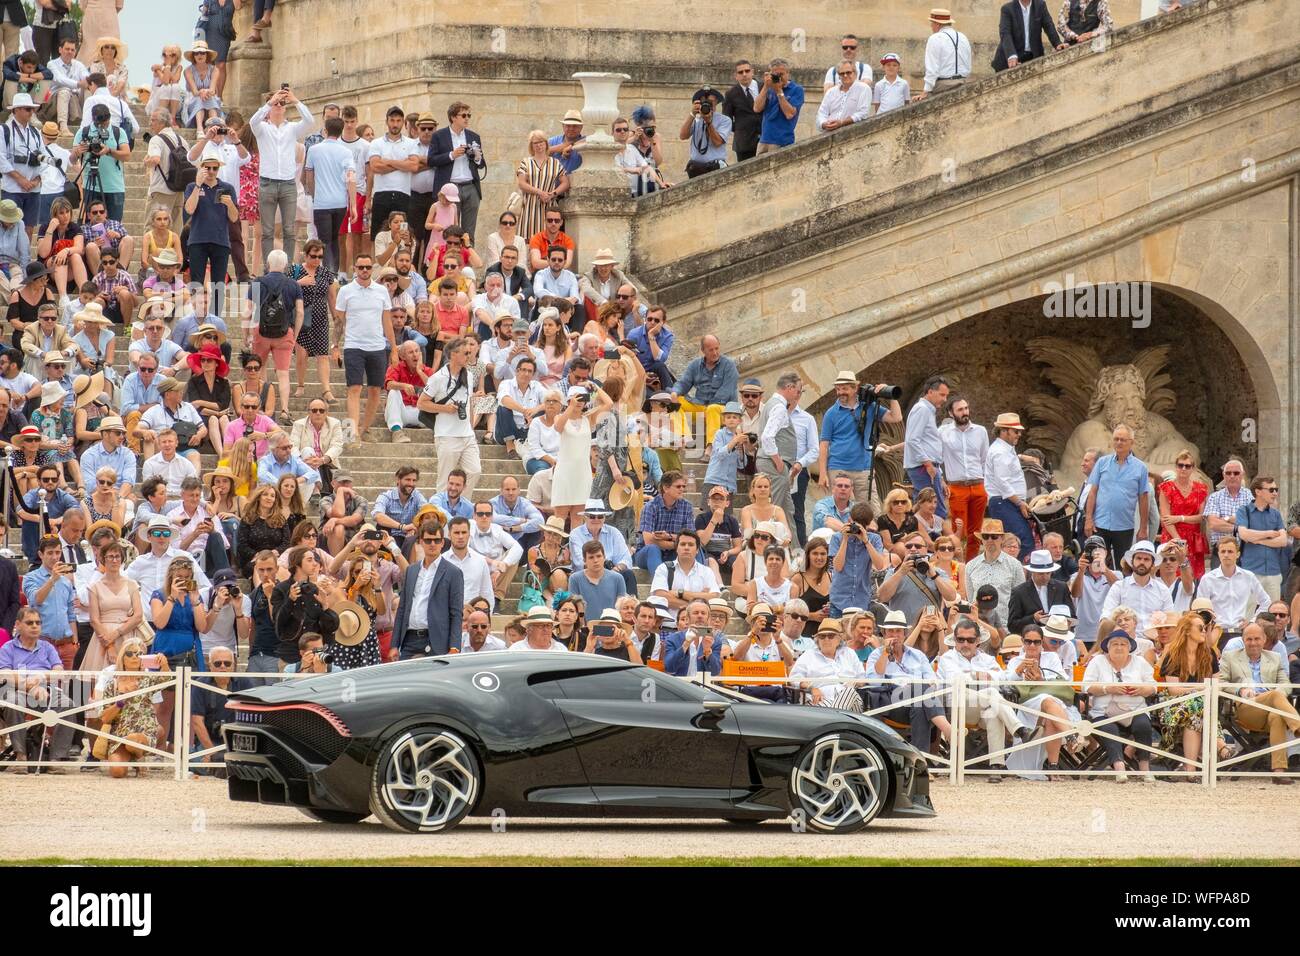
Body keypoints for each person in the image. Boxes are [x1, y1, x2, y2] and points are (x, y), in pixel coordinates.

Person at [1220, 622, 1299, 783]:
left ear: (1264, 640)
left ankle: (1278, 771)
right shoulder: (1231, 657)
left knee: (1277, 716)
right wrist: (1239, 691)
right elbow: (1221, 683)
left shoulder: (1274, 658)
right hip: (1245, 707)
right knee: (1275, 696)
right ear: (1243, 640)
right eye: (1249, 639)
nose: (1253, 642)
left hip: (1270, 707)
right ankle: (1297, 727)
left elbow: (1286, 685)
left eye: (1257, 638)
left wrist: (1276, 697)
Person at [248, 84, 316, 268]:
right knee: (267, 231)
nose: (278, 106)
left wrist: (295, 101)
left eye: (281, 103)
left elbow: (310, 122)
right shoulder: (262, 128)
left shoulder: (292, 129)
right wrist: (269, 103)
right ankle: (269, 268)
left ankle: (288, 268)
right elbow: (252, 122)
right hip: (267, 183)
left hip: (287, 184)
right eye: (276, 103)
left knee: (289, 231)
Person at [391, 520, 463, 660]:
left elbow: (456, 613)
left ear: (442, 543)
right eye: (428, 540)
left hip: (436, 640)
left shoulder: (453, 572)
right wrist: (394, 644)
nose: (432, 544)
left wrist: (454, 647)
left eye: (436, 540)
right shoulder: (411, 570)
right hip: (409, 640)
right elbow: (402, 608)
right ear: (421, 542)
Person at [547, 383, 612, 529]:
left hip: (582, 474)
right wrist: (571, 406)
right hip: (564, 473)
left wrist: (595, 387)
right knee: (559, 518)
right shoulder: (559, 417)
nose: (579, 401)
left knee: (578, 519)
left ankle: (576, 551)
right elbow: (558, 428)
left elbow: (609, 403)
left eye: (582, 398)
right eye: (576, 397)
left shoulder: (589, 419)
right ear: (569, 399)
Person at [1084, 424, 1151, 566]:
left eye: (1123, 439)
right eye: (1116, 439)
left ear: (1131, 442)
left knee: (1124, 565)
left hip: (1124, 525)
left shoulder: (1140, 468)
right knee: (1098, 565)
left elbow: (1143, 498)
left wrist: (1143, 528)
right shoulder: (1102, 463)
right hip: (1100, 524)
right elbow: (1093, 492)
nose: (1119, 442)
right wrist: (1088, 518)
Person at [183, 145, 239, 309]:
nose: (212, 171)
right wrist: (198, 185)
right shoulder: (192, 187)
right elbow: (189, 209)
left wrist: (230, 205)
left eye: (215, 168)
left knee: (218, 284)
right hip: (198, 239)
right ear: (202, 168)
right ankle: (196, 316)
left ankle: (215, 319)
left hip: (220, 240)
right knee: (197, 283)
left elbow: (234, 218)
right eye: (208, 168)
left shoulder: (227, 188)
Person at [1196, 537, 1269, 634]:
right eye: (1223, 551)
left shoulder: (1248, 576)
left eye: (1230, 551)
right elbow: (1201, 608)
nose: (1226, 555)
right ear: (1218, 554)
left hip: (1240, 631)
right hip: (1216, 632)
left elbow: (1266, 601)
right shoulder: (1207, 579)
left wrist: (1252, 621)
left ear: (1238, 554)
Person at [828, 503, 890, 618]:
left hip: (862, 600)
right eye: (855, 523)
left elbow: (879, 565)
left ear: (868, 523)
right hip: (839, 601)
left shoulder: (874, 539)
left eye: (862, 524)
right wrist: (845, 540)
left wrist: (866, 542)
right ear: (849, 519)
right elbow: (838, 567)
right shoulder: (837, 537)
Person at [903, 376, 949, 520]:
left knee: (924, 508)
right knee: (934, 510)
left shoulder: (926, 410)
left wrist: (938, 472)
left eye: (946, 395)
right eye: (942, 395)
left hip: (926, 467)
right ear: (930, 392)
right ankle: (934, 541)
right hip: (923, 467)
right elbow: (912, 440)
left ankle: (921, 539)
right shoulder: (922, 409)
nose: (945, 399)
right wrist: (928, 464)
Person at [1236, 475, 1288, 600]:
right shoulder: (1244, 511)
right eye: (1271, 490)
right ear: (1258, 491)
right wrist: (1268, 533)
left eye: (1276, 489)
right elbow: (1243, 534)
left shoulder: (1275, 514)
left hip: (1273, 572)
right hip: (1250, 571)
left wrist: (1257, 539)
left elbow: (1283, 541)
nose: (1275, 493)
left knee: (1274, 614)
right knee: (1246, 614)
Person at [635, 471, 696, 574]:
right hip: (647, 553)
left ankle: (696, 584)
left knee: (693, 550)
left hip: (674, 552)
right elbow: (648, 541)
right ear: (666, 488)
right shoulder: (650, 507)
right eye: (678, 486)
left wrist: (668, 536)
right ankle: (661, 586)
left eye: (683, 486)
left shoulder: (687, 507)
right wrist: (677, 543)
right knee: (653, 549)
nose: (682, 489)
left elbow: (691, 539)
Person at [1007, 549, 1074, 634]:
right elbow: (1012, 626)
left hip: (1059, 638)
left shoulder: (1061, 588)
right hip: (1033, 641)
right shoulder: (1019, 592)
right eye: (1041, 574)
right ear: (1032, 572)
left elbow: (1072, 617)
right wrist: (1033, 618)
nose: (1045, 577)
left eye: (1048, 573)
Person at [993, 0, 1069, 71]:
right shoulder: (1007, 9)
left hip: (1032, 57)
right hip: (1009, 60)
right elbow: (1005, 33)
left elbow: (1048, 25)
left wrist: (1057, 43)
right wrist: (1012, 55)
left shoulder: (1040, 5)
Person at [753, 58, 803, 154]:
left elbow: (789, 114)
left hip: (783, 141)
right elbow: (757, 108)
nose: (778, 78)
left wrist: (779, 91)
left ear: (788, 73)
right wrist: (766, 86)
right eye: (775, 75)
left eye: (781, 74)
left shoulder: (797, 89)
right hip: (764, 140)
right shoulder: (768, 88)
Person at [662, 599, 723, 677]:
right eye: (696, 613)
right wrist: (686, 644)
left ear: (708, 619)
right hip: (679, 686)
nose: (700, 616)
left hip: (703, 687)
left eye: (703, 613)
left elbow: (715, 672)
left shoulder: (715, 641)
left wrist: (707, 651)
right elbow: (669, 668)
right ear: (687, 618)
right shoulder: (672, 639)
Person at [720, 60, 763, 163]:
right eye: (740, 72)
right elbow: (727, 119)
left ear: (752, 72)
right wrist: (741, 128)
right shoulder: (730, 94)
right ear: (736, 76)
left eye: (747, 71)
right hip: (744, 144)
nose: (744, 74)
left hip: (766, 140)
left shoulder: (764, 87)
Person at [817, 62, 872, 133]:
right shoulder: (830, 92)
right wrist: (824, 124)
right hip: (828, 134)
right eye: (842, 73)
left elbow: (863, 113)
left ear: (855, 74)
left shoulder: (864, 89)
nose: (845, 75)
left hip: (852, 134)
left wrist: (842, 122)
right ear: (839, 76)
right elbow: (821, 113)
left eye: (848, 72)